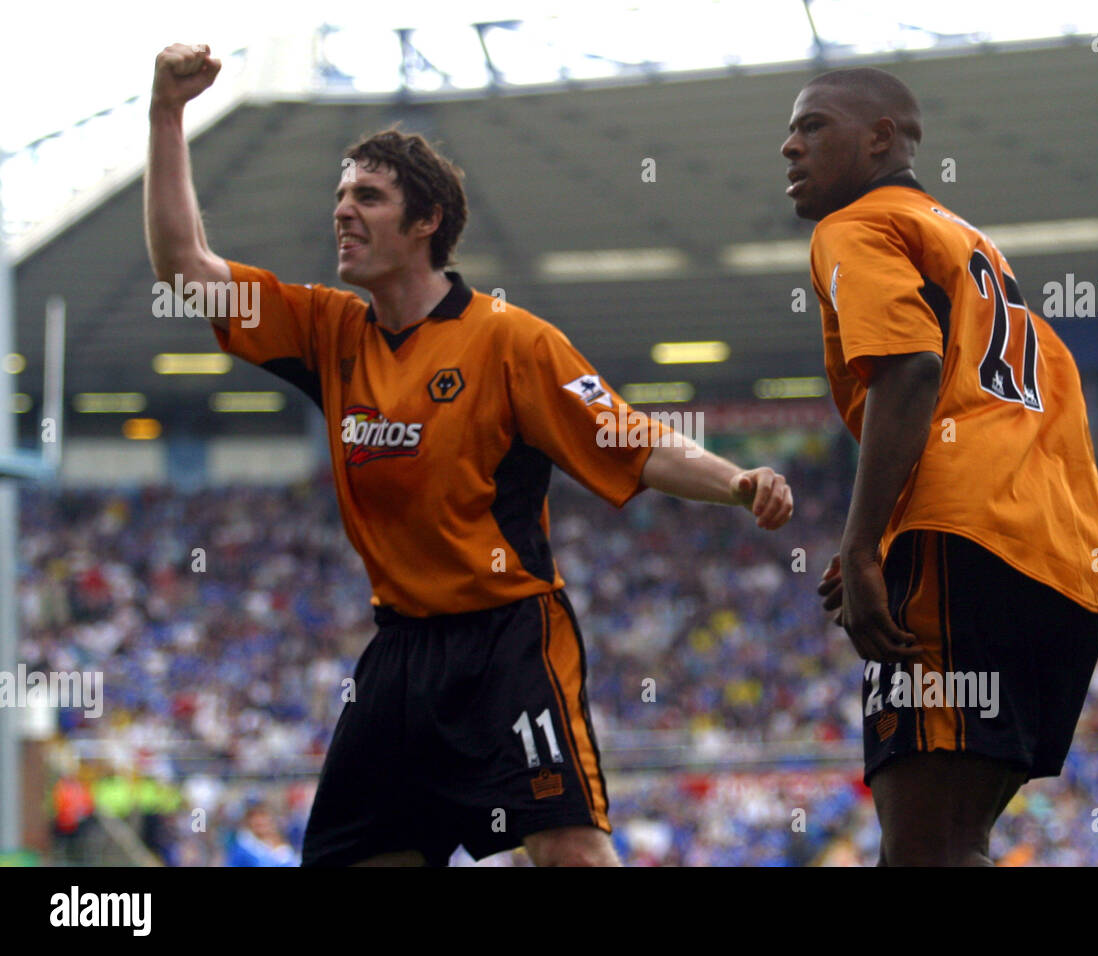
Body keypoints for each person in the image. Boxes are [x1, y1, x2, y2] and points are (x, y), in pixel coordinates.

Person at [145, 43, 793, 867]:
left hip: (507, 646)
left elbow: (630, 438)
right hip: (398, 659)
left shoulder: (510, 340)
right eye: (341, 195)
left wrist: (739, 481)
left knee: (573, 856)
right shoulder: (327, 329)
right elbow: (183, 269)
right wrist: (167, 112)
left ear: (425, 225)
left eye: (368, 198)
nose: (343, 211)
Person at [782, 67, 1098, 865]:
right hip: (1062, 564)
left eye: (813, 126)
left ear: (881, 138)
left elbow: (908, 369)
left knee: (927, 846)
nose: (790, 146)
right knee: (953, 840)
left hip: (962, 545)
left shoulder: (856, 224)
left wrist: (867, 548)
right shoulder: (973, 245)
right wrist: (884, 528)